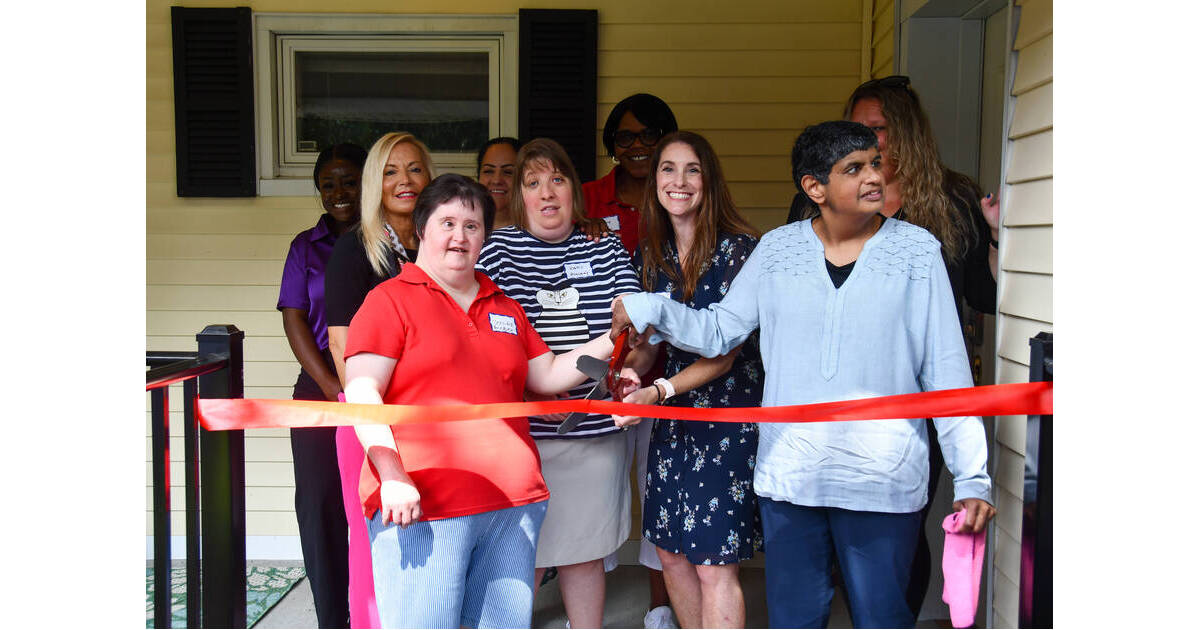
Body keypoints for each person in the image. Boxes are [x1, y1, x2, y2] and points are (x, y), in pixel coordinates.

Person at [611, 121, 995, 628]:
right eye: (854, 169)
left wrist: (972, 478)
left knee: (882, 618)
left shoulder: (917, 252)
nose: (873, 177)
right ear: (815, 187)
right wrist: (648, 307)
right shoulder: (777, 250)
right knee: (794, 619)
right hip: (791, 479)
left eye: (874, 164)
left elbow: (947, 374)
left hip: (882, 479)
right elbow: (720, 330)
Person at [343, 173, 639, 629]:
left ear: (484, 237)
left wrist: (613, 338)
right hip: (425, 505)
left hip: (512, 504)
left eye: (472, 226)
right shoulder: (389, 301)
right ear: (421, 229)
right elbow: (363, 392)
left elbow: (547, 374)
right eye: (447, 223)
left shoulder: (504, 305)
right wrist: (392, 475)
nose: (460, 236)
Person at [793, 75, 1001, 617]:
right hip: (835, 393)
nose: (866, 139)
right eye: (857, 128)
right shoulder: (819, 197)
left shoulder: (952, 198)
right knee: (833, 530)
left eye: (878, 129)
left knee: (901, 530)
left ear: (905, 131)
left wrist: (997, 235)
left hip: (920, 397)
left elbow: (984, 295)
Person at [475, 138, 642, 629]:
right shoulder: (496, 251)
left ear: (575, 189)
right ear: (519, 196)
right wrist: (546, 386)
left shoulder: (604, 245)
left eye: (557, 179)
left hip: (594, 433)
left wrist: (626, 368)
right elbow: (482, 335)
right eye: (532, 183)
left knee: (583, 552)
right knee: (518, 554)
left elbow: (634, 325)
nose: (546, 193)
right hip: (522, 436)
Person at [613, 131, 764, 628]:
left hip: (727, 417)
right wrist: (633, 369)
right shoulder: (650, 254)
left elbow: (724, 353)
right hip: (673, 417)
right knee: (671, 553)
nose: (679, 181)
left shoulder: (740, 251)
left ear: (709, 180)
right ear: (654, 180)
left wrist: (658, 390)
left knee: (713, 562)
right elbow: (650, 342)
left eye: (692, 169)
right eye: (668, 169)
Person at [324, 131, 435, 629]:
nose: (404, 180)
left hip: (430, 418)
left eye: (414, 169)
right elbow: (341, 345)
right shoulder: (355, 250)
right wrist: (380, 413)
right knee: (373, 542)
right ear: (375, 182)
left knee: (428, 540)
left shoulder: (439, 245)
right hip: (374, 419)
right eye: (390, 171)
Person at [583, 92, 680, 629]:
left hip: (667, 373)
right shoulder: (586, 199)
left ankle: (659, 606)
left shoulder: (678, 193)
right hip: (597, 370)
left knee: (657, 489)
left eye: (649, 135)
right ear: (612, 144)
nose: (638, 145)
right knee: (595, 489)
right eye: (626, 136)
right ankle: (585, 608)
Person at [277, 142, 367, 628]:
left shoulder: (387, 242)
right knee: (319, 506)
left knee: (379, 501)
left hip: (383, 391)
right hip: (320, 389)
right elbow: (294, 318)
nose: (339, 192)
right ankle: (333, 619)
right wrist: (334, 386)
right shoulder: (304, 247)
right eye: (328, 184)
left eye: (349, 181)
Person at [476, 137, 522, 228]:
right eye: (489, 171)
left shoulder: (540, 232)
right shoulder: (461, 228)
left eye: (508, 172)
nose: (496, 180)